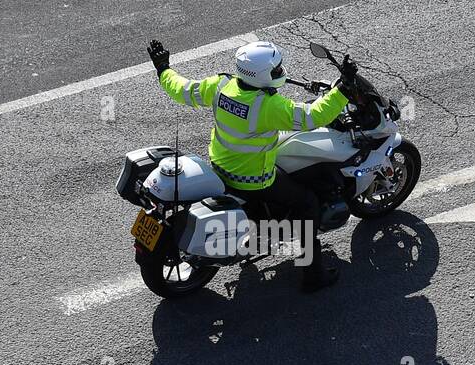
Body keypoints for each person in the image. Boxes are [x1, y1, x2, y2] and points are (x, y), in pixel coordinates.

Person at [146, 38, 355, 291]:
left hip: (218, 166)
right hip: (254, 179)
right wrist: (342, 91)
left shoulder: (220, 85)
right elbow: (313, 117)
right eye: (276, 69)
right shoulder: (268, 106)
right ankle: (313, 275)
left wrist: (163, 68)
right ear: (262, 74)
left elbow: (184, 90)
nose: (280, 72)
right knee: (308, 203)